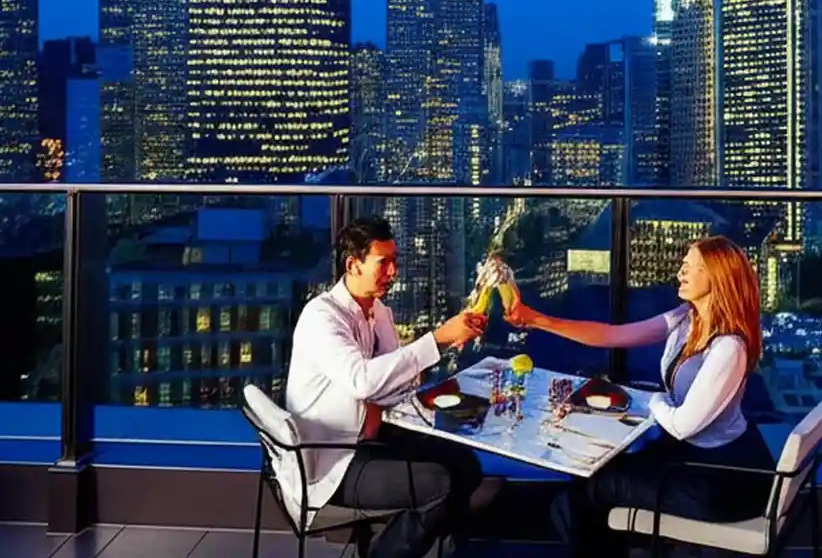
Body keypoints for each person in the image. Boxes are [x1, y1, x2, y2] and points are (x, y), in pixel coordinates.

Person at [505, 235, 775, 557]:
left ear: (716, 276)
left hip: (722, 480)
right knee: (592, 471)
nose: (680, 273)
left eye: (690, 268)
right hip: (689, 458)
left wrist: (649, 399)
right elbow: (614, 336)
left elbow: (682, 425)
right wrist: (536, 319)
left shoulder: (729, 348)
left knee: (594, 487)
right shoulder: (687, 318)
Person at [285, 216, 497, 558]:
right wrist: (438, 337)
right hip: (334, 457)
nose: (393, 272)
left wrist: (445, 344)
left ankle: (445, 549)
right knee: (439, 485)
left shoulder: (377, 311)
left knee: (465, 465)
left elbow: (395, 381)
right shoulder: (321, 318)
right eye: (383, 263)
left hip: (371, 434)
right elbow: (363, 381)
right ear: (353, 264)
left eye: (394, 262)